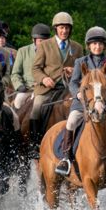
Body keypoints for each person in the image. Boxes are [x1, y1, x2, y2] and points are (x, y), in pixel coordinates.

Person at [55, 27, 106, 175]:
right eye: (94, 44)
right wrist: (78, 94)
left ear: (104, 46)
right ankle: (66, 159)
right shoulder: (80, 62)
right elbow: (73, 83)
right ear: (89, 46)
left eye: (100, 44)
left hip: (105, 105)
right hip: (82, 105)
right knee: (71, 122)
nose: (97, 47)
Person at [30, 12, 83, 148]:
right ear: (56, 29)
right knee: (36, 108)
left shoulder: (77, 47)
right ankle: (35, 143)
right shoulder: (44, 45)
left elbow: (83, 71)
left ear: (70, 29)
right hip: (48, 88)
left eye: (67, 28)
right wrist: (44, 79)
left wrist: (73, 71)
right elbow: (35, 68)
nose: (64, 31)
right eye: (61, 28)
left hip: (68, 88)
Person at [11, 23, 50, 109]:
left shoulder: (52, 52)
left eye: (45, 41)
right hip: (27, 89)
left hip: (45, 90)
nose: (43, 44)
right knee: (18, 102)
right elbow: (15, 73)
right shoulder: (23, 51)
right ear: (34, 40)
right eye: (40, 41)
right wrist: (19, 86)